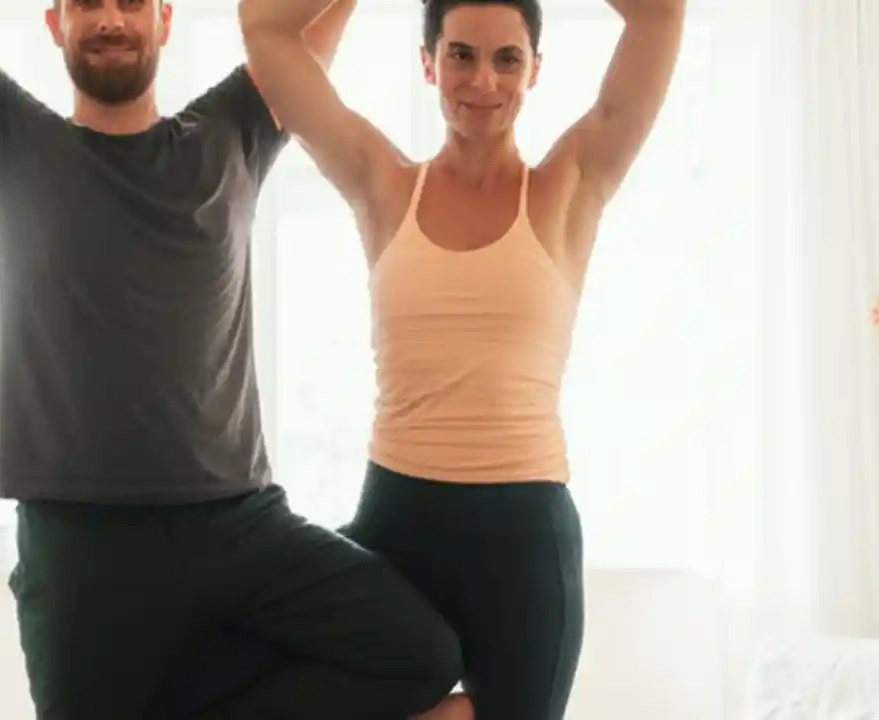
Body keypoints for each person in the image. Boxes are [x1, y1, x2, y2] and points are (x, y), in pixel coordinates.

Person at [0, 0, 475, 718]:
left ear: (164, 19)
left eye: (131, 2)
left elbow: (304, 34)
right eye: (87, 4)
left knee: (423, 658)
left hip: (237, 526)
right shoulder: (10, 140)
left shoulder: (231, 130)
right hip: (82, 551)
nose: (110, 18)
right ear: (54, 24)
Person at [176, 0, 683, 718]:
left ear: (535, 69)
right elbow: (265, 27)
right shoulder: (382, 182)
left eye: (507, 58)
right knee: (220, 670)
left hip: (524, 544)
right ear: (428, 63)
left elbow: (659, 16)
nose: (483, 80)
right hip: (396, 523)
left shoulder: (570, 184)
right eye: (461, 55)